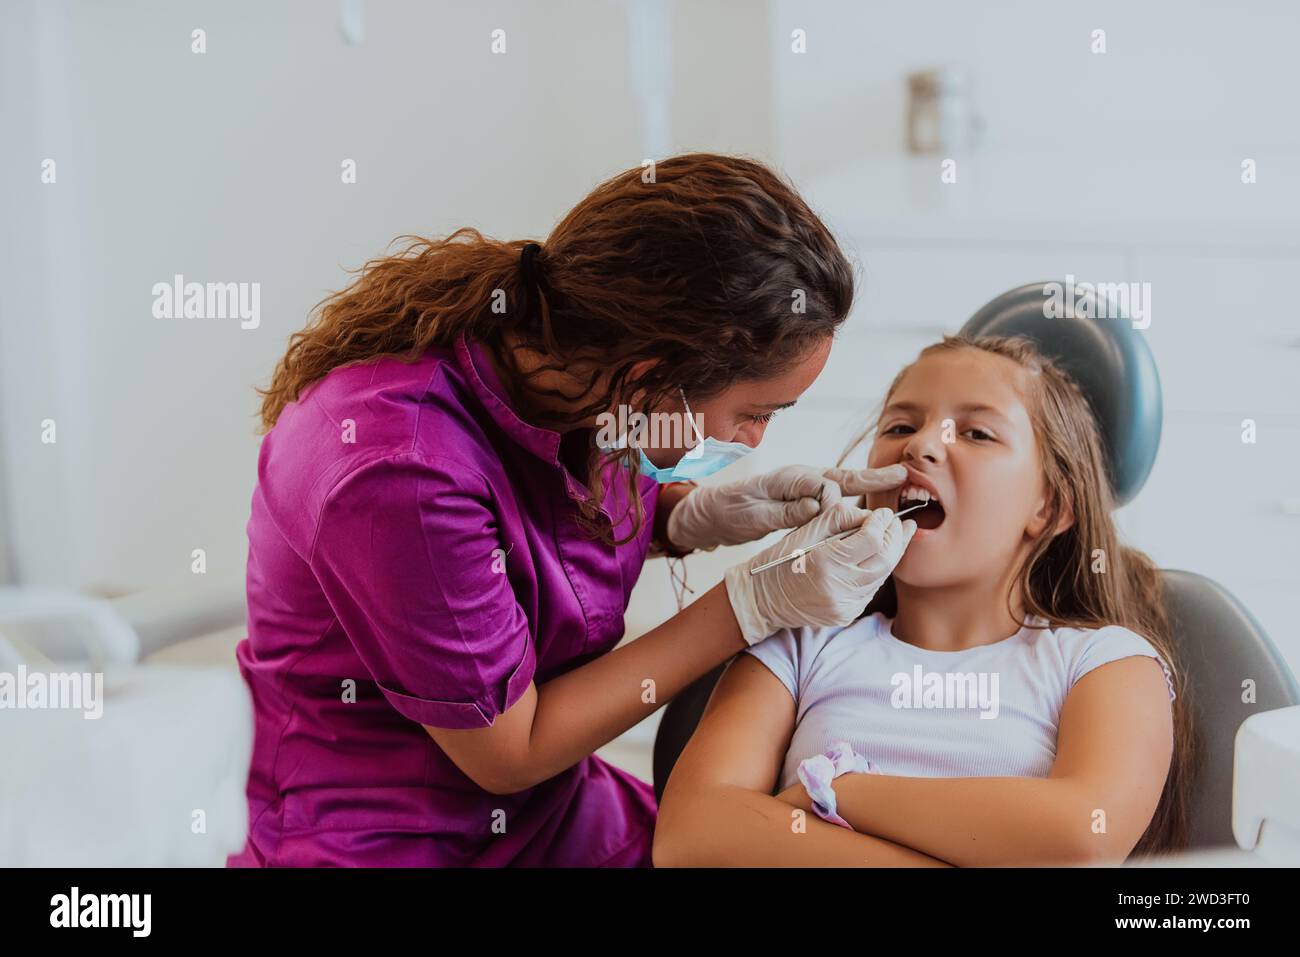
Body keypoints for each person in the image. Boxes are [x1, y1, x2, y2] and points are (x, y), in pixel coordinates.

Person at [226, 153, 913, 866]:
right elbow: (509, 750)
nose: (754, 441)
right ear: (653, 378)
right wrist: (753, 603)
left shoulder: (580, 380)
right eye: (754, 412)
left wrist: (682, 518)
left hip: (549, 812)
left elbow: (537, 525)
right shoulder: (402, 467)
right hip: (391, 836)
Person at [654, 335, 1195, 867]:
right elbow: (690, 834)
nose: (919, 446)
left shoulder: (1103, 662)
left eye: (978, 433)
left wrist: (838, 791)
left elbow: (1085, 835)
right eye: (900, 426)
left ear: (1049, 508)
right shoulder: (798, 646)